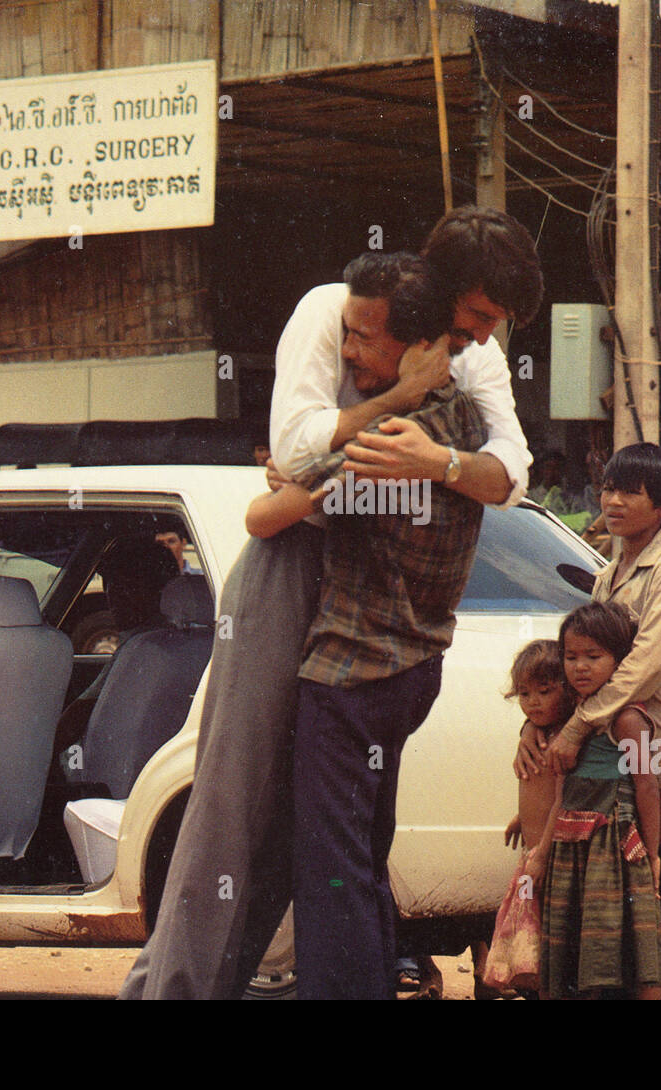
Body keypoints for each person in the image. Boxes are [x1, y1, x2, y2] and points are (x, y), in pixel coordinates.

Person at [120, 214, 542, 1001]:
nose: (487, 337)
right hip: (295, 569)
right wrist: (402, 416)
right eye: (481, 315)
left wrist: (438, 459)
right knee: (231, 804)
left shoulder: (469, 357)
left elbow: (510, 473)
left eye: (495, 324)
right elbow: (298, 438)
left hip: (371, 604)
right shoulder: (333, 307)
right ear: (444, 291)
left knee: (315, 836)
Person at [243, 256, 490, 1000]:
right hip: (414, 669)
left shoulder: (386, 438)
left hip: (349, 674)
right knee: (363, 855)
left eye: (362, 338)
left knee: (331, 869)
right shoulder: (465, 425)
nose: (347, 353)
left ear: (417, 345)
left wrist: (293, 479)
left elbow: (262, 517)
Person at [530, 443, 661, 1000]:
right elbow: (579, 658)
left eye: (628, 492)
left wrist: (574, 727)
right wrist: (537, 726)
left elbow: (644, 665)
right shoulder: (609, 572)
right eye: (608, 489)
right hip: (616, 746)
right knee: (633, 880)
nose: (612, 501)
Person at [541, 602, 661, 1000]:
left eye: (594, 657)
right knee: (580, 943)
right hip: (571, 846)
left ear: (620, 660)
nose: (580, 667)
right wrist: (542, 850)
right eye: (572, 657)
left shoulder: (625, 719)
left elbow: (647, 784)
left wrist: (654, 852)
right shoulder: (571, 717)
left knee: (622, 941)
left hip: (613, 847)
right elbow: (561, 794)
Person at [481, 639, 574, 995]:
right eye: (524, 693)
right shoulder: (537, 735)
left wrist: (544, 854)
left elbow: (561, 800)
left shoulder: (564, 741)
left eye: (544, 691)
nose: (532, 701)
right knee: (521, 929)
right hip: (530, 857)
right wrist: (522, 817)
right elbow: (538, 790)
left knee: (544, 938)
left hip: (545, 859)